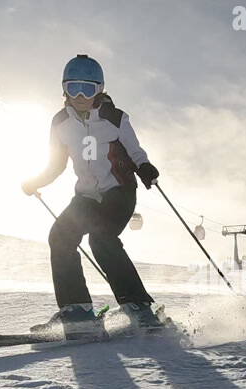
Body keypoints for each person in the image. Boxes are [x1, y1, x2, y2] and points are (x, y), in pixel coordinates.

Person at [22, 54, 162, 337]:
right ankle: (78, 311)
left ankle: (138, 307)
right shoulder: (60, 122)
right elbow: (57, 164)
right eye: (74, 88)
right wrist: (37, 180)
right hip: (86, 196)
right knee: (60, 236)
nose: (81, 96)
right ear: (64, 90)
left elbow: (135, 150)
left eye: (88, 88)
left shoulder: (115, 117)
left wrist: (145, 167)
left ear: (100, 89)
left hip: (119, 191)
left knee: (101, 239)